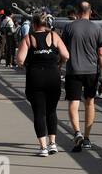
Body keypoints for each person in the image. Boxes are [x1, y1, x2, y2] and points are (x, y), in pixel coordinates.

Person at [16, 13, 69, 156]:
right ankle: (53, 144)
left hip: (35, 77)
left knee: (39, 113)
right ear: (46, 24)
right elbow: (66, 55)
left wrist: (28, 65)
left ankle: (43, 147)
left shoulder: (29, 38)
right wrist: (59, 63)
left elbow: (19, 59)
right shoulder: (54, 36)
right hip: (53, 76)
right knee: (51, 111)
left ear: (33, 24)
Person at [61, 2, 102, 152]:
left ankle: (77, 132)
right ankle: (87, 138)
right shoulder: (97, 28)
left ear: (77, 12)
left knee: (73, 103)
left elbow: (63, 50)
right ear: (90, 12)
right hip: (91, 71)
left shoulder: (69, 27)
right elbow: (101, 53)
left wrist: (59, 65)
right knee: (90, 103)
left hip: (73, 70)